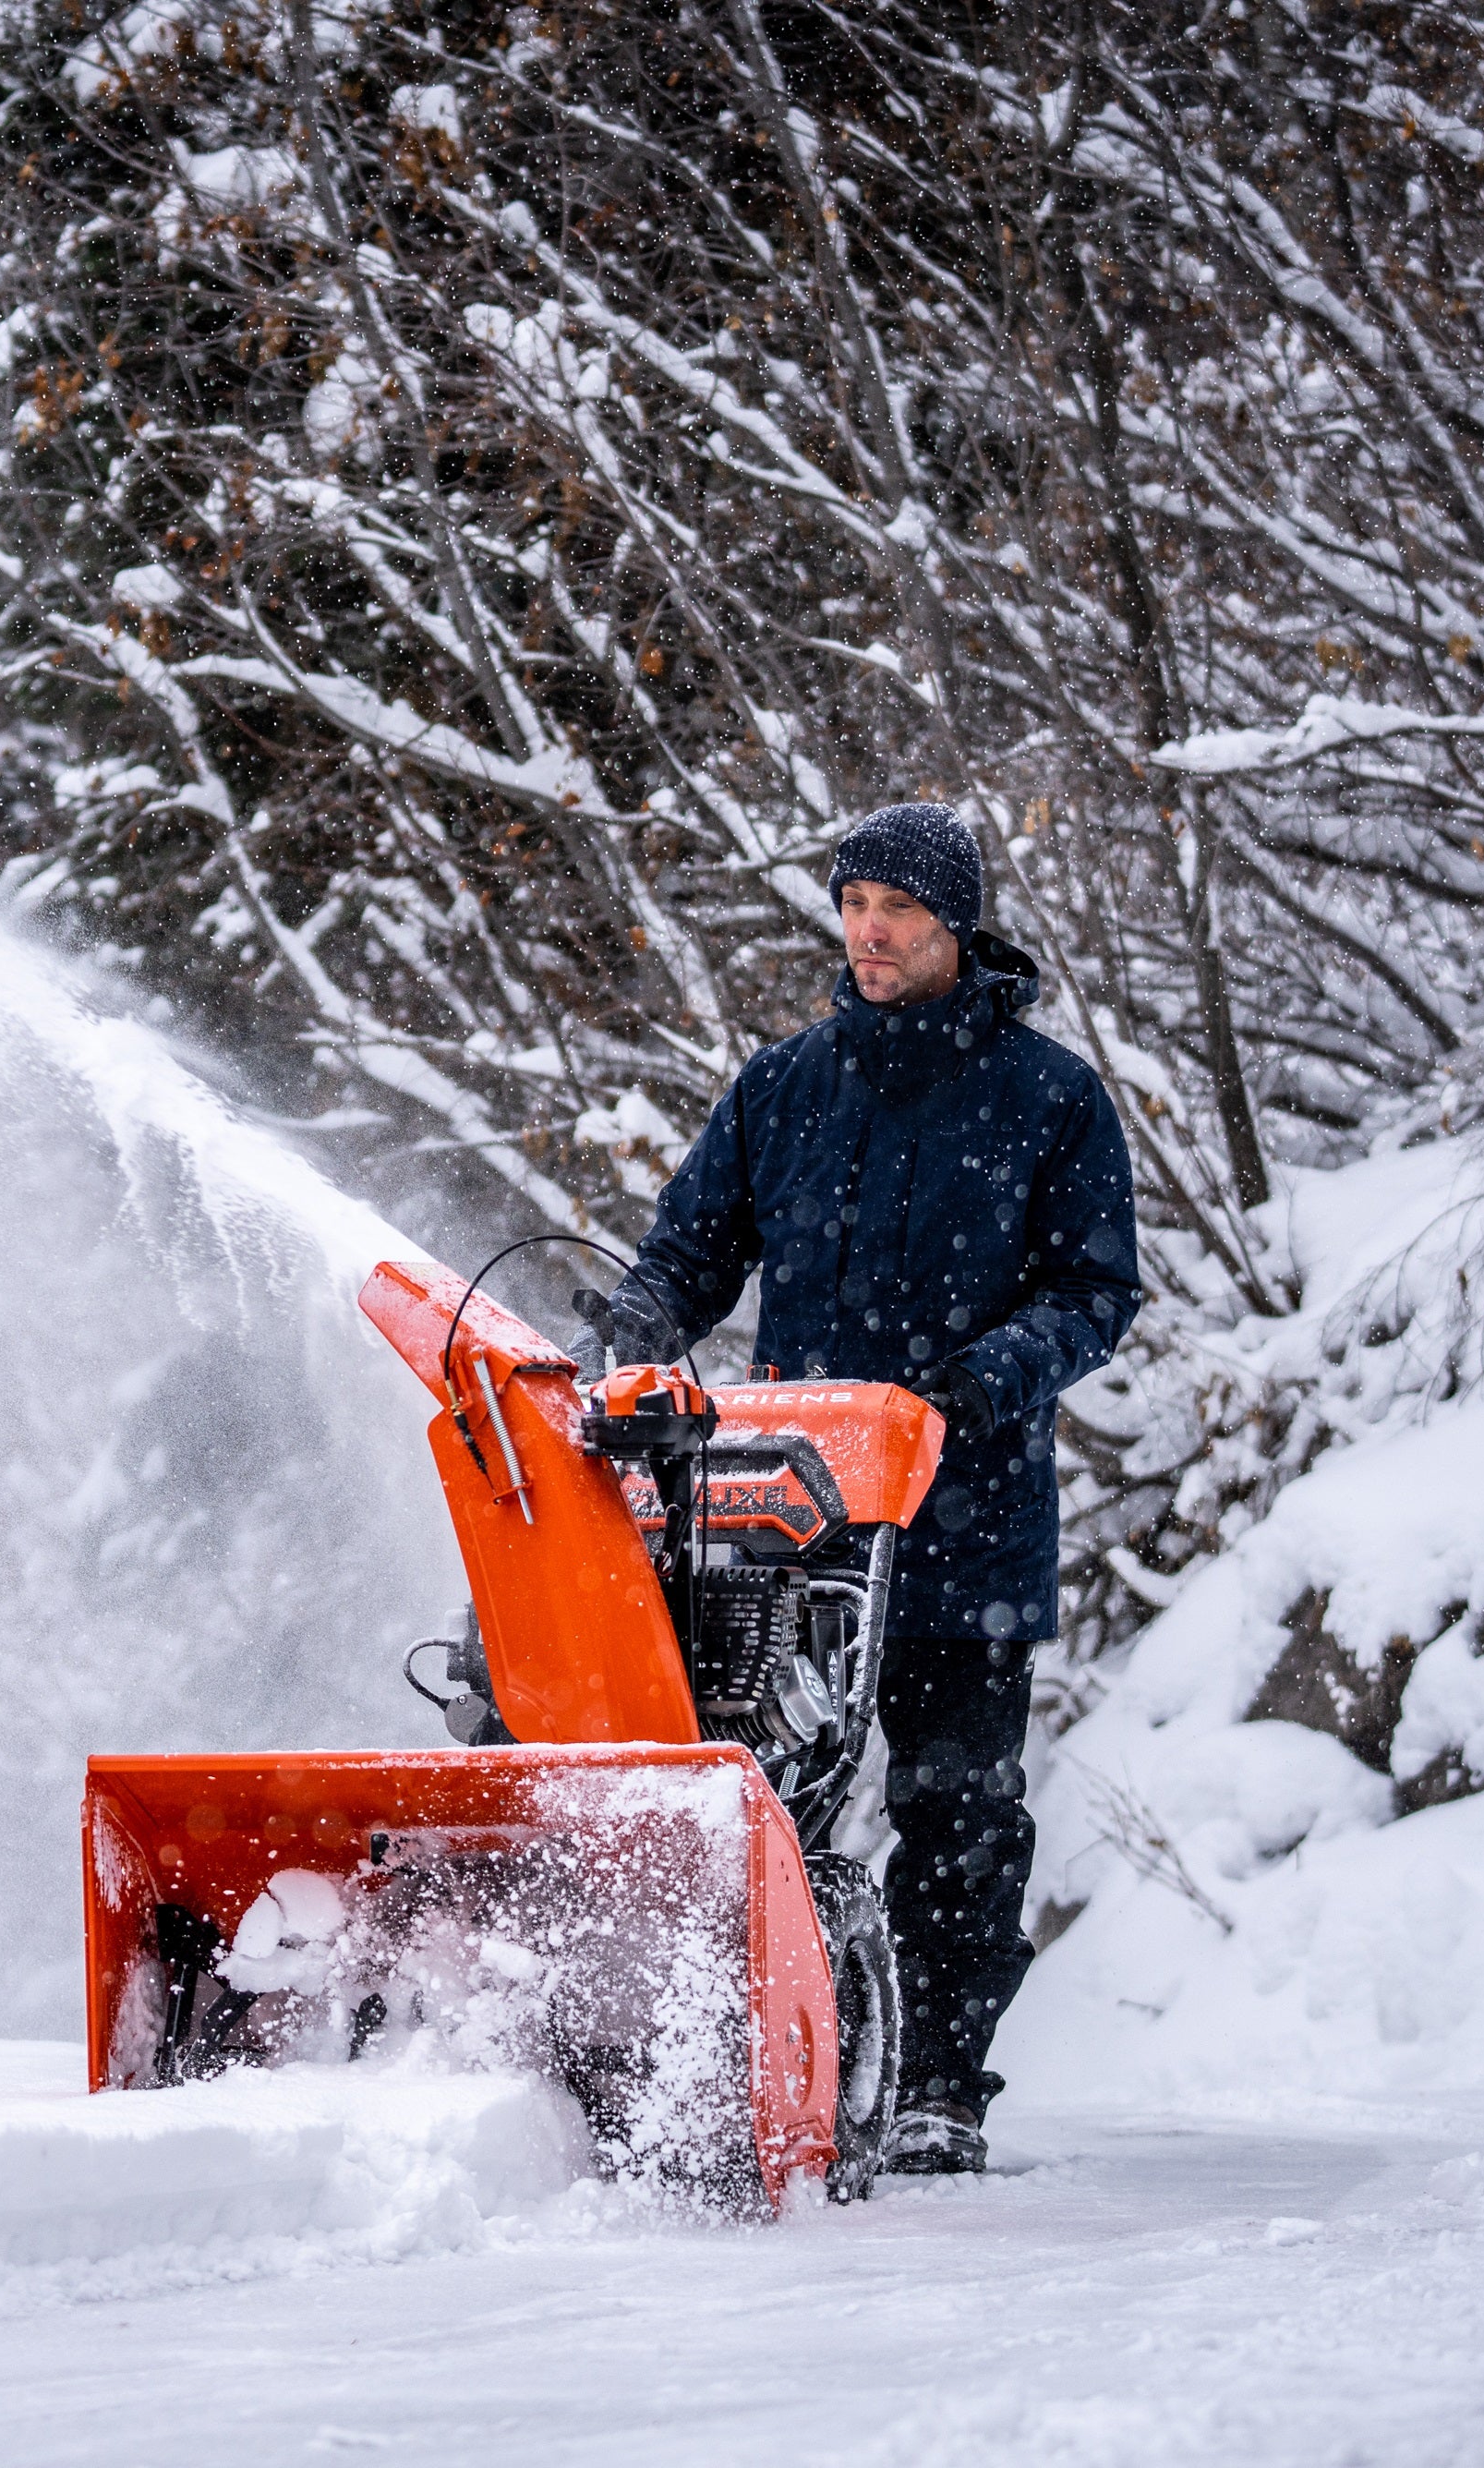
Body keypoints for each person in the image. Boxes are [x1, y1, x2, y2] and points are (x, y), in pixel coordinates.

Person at [587, 800, 1140, 2172]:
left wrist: (973, 1385)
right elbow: (688, 1252)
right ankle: (774, 2065)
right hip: (790, 1525)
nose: (870, 930)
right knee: (773, 1793)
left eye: (897, 907)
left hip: (969, 1522)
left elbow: (1094, 1293)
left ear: (955, 924)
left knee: (957, 1808)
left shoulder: (1048, 1099)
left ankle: (942, 2081)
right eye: (853, 904)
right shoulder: (787, 1088)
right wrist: (633, 1335)